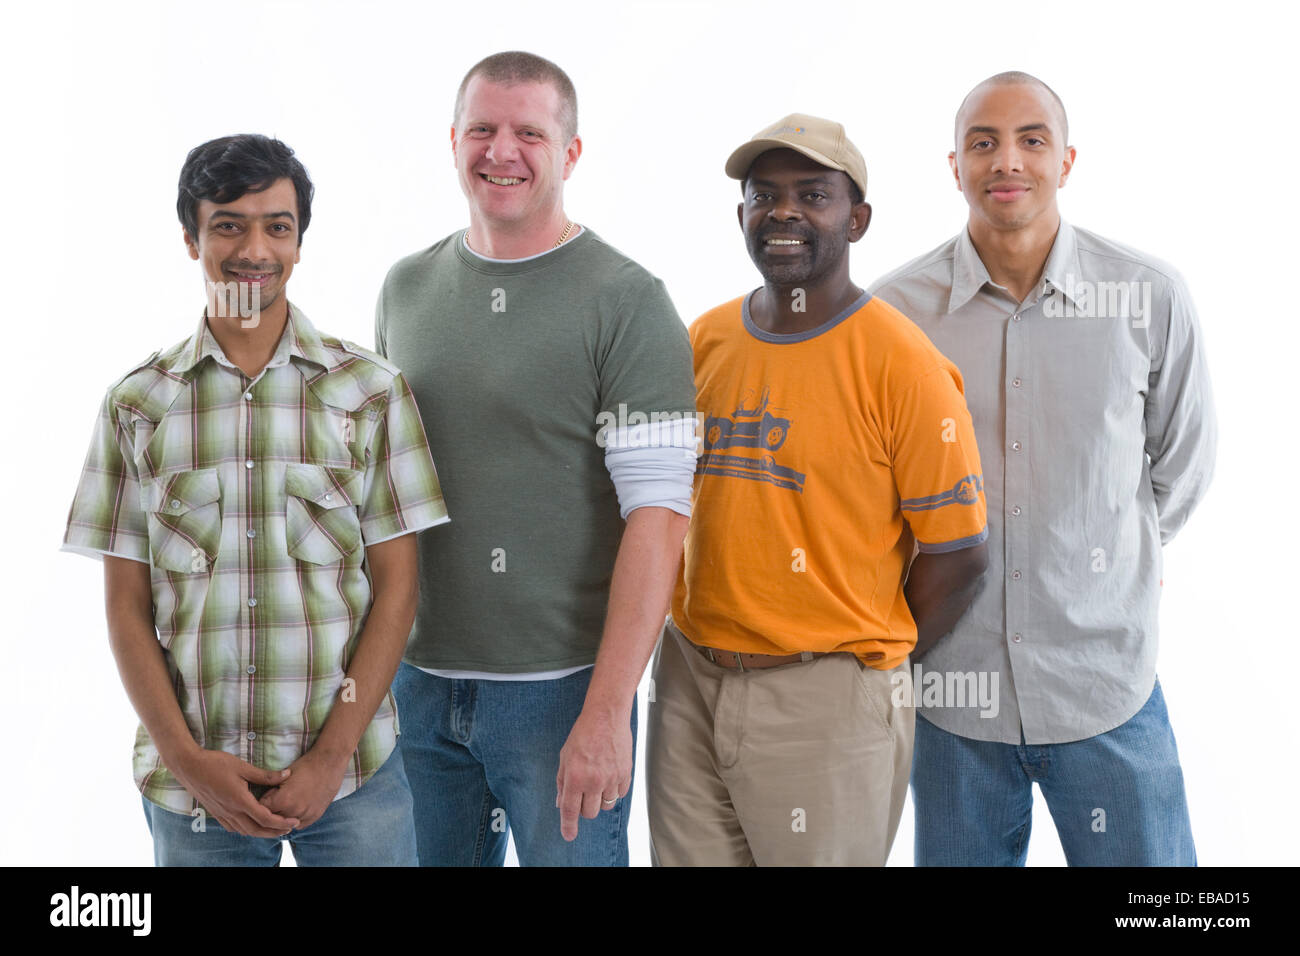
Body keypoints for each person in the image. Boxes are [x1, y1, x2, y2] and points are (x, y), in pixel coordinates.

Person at [62, 134, 448, 866]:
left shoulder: (370, 391)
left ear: (300, 242)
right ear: (190, 237)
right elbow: (125, 606)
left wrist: (331, 756)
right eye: (228, 224)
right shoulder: (137, 405)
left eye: (277, 225)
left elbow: (398, 590)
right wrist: (185, 759)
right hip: (195, 789)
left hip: (354, 778)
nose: (254, 248)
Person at [869, 72, 1217, 866]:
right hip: (954, 697)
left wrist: (1110, 556)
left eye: (1032, 140)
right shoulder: (895, 315)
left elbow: (1184, 463)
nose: (1007, 162)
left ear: (1067, 161)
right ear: (953, 166)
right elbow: (876, 489)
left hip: (1105, 687)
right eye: (983, 144)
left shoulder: (1149, 297)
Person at [376, 51, 697, 866]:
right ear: (452, 141)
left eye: (529, 132)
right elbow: (385, 495)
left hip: (560, 697)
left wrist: (605, 711)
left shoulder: (627, 300)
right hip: (417, 686)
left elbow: (659, 521)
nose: (501, 151)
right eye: (481, 129)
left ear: (571, 153)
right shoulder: (405, 289)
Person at [646, 114, 989, 866]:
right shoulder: (702, 342)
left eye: (814, 194)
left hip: (827, 702)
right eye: (763, 194)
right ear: (742, 216)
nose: (785, 211)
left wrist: (858, 668)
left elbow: (960, 553)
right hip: (688, 680)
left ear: (857, 220)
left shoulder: (903, 365)